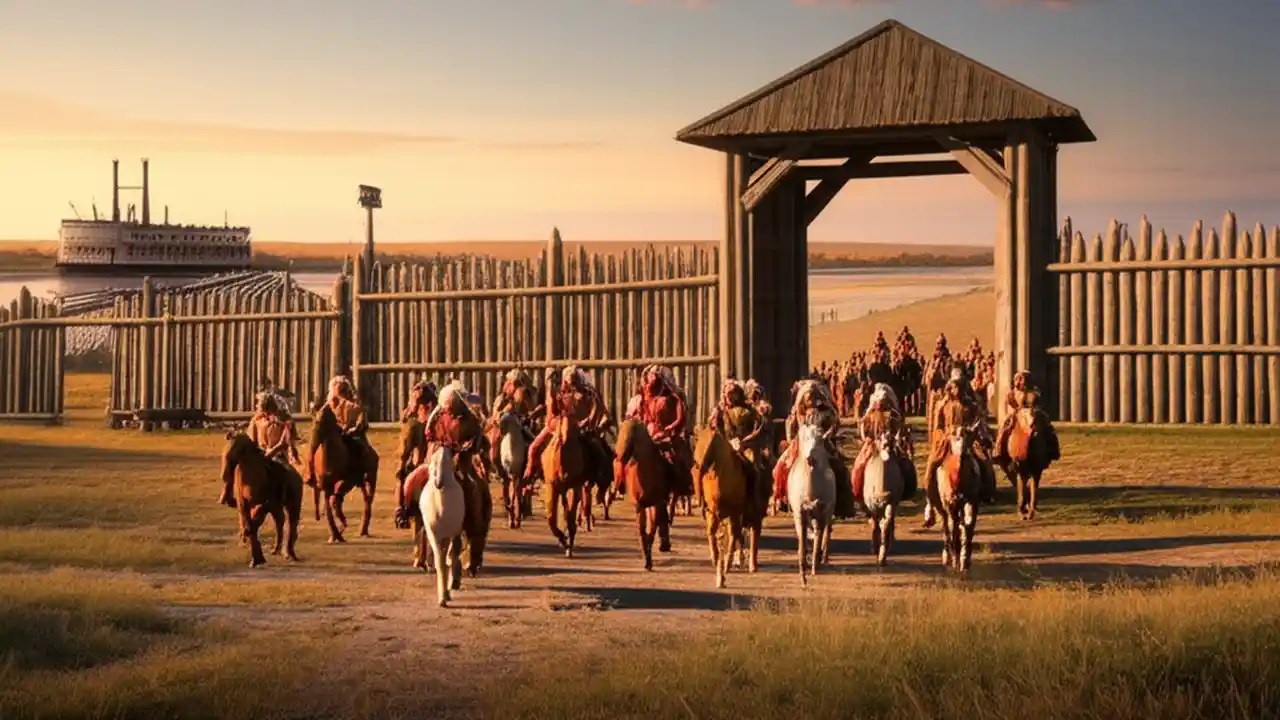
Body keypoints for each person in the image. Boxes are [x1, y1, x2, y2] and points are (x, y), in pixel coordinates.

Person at [523, 365, 611, 482]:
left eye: (575, 381)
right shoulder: (560, 393)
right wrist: (533, 414)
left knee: (598, 451)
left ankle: (600, 476)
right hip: (557, 425)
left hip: (579, 428)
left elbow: (595, 409)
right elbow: (550, 408)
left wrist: (587, 422)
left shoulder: (587, 394)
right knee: (533, 447)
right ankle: (530, 472)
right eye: (570, 382)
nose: (572, 385)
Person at [772, 379, 847, 506]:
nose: (811, 401)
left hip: (821, 441)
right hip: (800, 443)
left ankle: (840, 499)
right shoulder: (797, 413)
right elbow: (790, 427)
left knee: (839, 466)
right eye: (808, 398)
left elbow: (835, 423)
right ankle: (783, 497)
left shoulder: (825, 411)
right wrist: (791, 440)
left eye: (813, 397)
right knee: (780, 467)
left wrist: (829, 433)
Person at [220, 389, 301, 508]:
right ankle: (228, 490)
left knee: (286, 474)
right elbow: (250, 437)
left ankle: (283, 498)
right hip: (259, 453)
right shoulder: (257, 419)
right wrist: (236, 435)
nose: (256, 406)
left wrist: (270, 454)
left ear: (265, 405)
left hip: (277, 455)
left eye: (258, 403)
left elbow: (284, 443)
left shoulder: (284, 420)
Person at [850, 383, 917, 510]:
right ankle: (857, 494)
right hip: (873, 445)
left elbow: (899, 429)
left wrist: (896, 438)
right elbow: (864, 430)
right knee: (859, 465)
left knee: (905, 464)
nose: (882, 404)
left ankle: (908, 490)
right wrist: (870, 440)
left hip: (890, 445)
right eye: (880, 401)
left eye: (884, 401)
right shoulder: (870, 415)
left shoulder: (893, 415)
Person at [632, 365, 693, 500]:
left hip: (667, 435)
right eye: (649, 377)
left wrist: (668, 429)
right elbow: (642, 416)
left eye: (654, 377)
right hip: (649, 433)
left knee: (674, 459)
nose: (651, 381)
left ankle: (681, 484)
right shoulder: (644, 398)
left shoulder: (674, 397)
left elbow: (680, 417)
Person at [307, 375, 370, 488]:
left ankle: (359, 472)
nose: (340, 393)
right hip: (332, 432)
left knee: (359, 447)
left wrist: (352, 429)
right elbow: (319, 417)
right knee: (314, 443)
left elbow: (360, 420)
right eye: (338, 390)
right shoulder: (328, 405)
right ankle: (309, 470)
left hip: (348, 434)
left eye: (342, 390)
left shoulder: (353, 405)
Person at [994, 371, 1062, 464]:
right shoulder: (1012, 393)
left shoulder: (1033, 391)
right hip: (1016, 412)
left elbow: (1032, 403)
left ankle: (1053, 449)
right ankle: (998, 450)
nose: (1020, 381)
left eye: (1022, 379)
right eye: (1018, 379)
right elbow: (1010, 403)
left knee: (1047, 426)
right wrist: (1014, 411)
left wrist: (1030, 406)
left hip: (1031, 412)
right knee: (1004, 428)